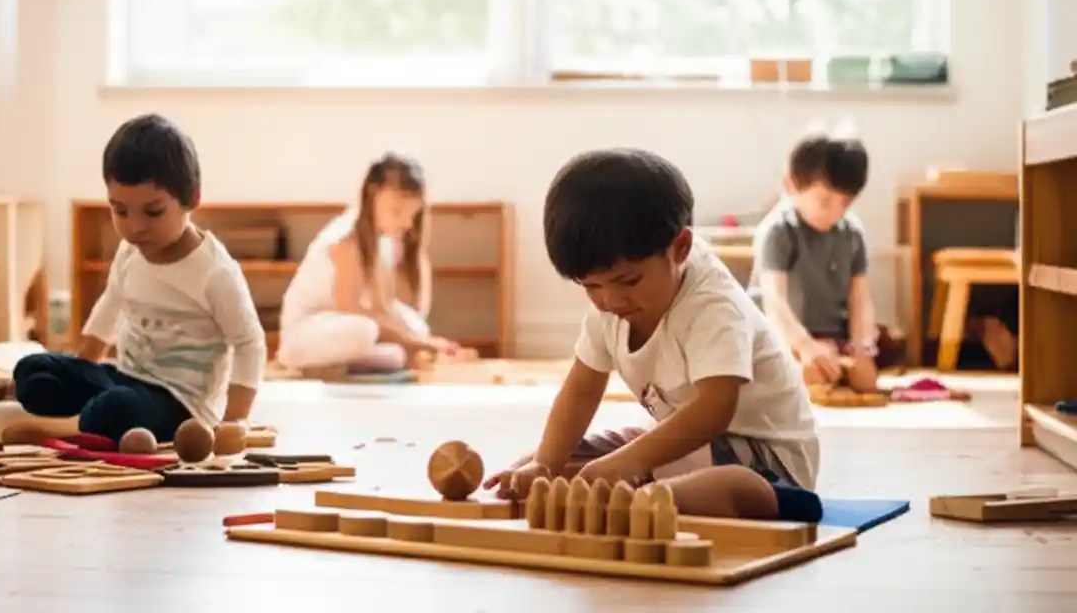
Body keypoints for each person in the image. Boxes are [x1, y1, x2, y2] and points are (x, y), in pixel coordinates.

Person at [484, 148, 821, 522]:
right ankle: (640, 492)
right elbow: (581, 388)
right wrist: (545, 465)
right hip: (686, 450)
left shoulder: (713, 304)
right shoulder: (612, 301)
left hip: (766, 463)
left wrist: (625, 464)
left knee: (729, 483)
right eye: (590, 285)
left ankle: (648, 497)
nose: (609, 299)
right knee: (557, 464)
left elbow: (715, 410)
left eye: (627, 281)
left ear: (679, 249)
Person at [10, 114, 265, 442]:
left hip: (181, 404)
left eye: (153, 212)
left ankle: (62, 430)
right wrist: (81, 371)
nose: (134, 226)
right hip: (125, 378)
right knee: (33, 370)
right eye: (120, 211)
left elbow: (249, 343)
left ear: (192, 199)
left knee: (118, 408)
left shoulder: (214, 273)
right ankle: (91, 417)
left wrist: (235, 420)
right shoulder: (130, 252)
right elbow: (110, 306)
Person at [277, 153, 471, 375]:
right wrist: (416, 344)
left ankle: (360, 362)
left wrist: (417, 338)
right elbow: (350, 310)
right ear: (371, 197)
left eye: (413, 215)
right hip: (308, 333)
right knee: (365, 330)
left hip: (341, 331)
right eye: (397, 212)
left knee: (414, 325)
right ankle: (343, 362)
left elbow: (381, 307)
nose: (406, 223)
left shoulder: (384, 240)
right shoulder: (347, 237)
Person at [748, 130, 897, 393]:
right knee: (807, 373)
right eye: (825, 201)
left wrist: (861, 347)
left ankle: (833, 368)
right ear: (792, 184)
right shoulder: (780, 231)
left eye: (846, 203)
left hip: (833, 343)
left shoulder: (851, 233)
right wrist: (804, 345)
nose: (836, 212)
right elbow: (774, 302)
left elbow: (860, 298)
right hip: (785, 338)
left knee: (866, 378)